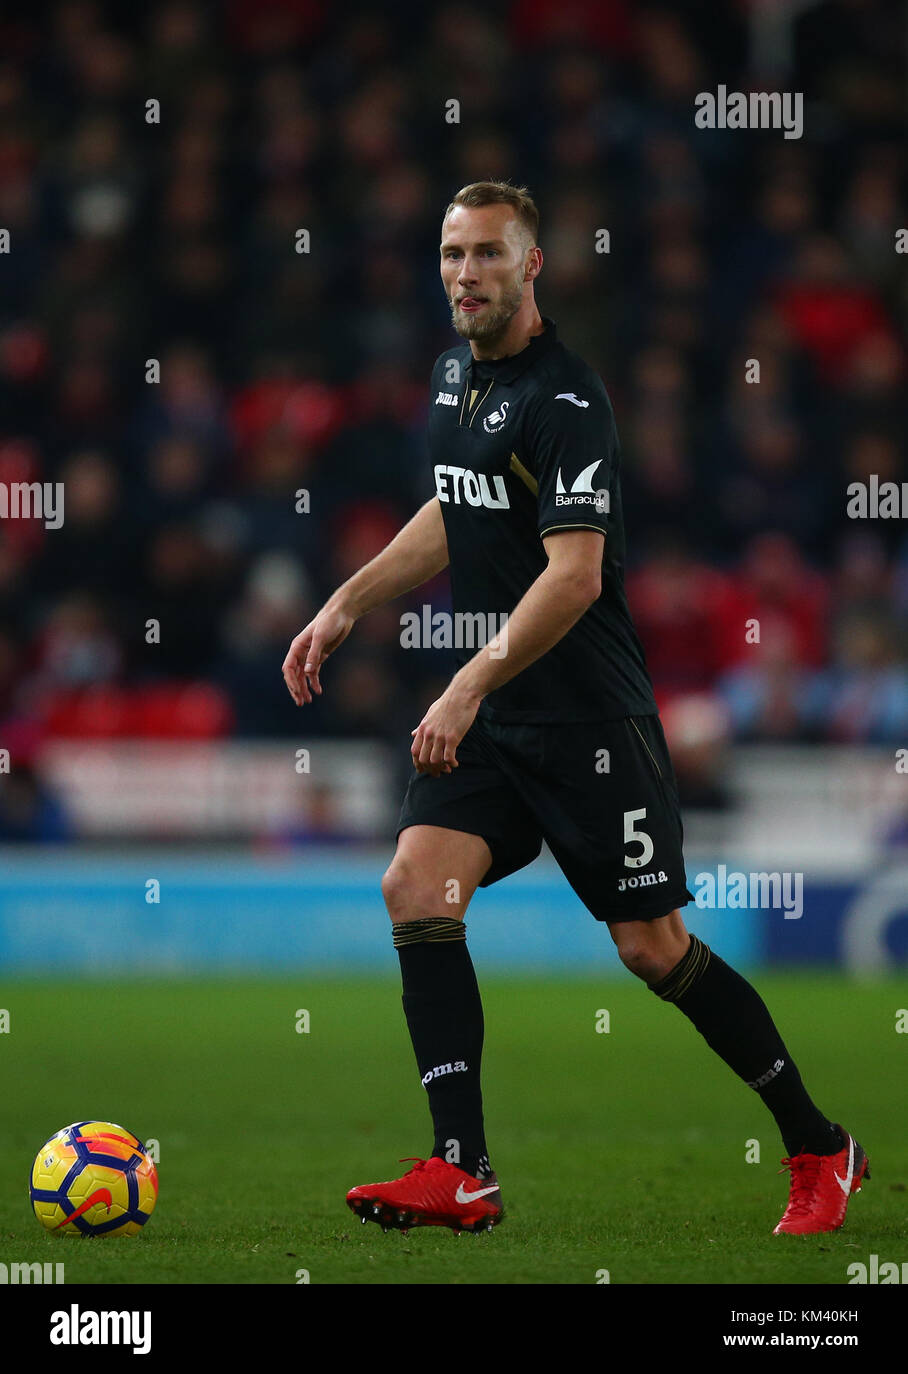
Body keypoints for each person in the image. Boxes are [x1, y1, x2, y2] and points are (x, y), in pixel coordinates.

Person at [282, 181, 866, 1237]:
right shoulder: (452, 374)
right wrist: (344, 603)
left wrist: (464, 679)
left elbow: (573, 576)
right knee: (415, 882)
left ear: (532, 264)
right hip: (499, 721)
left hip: (591, 725)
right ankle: (460, 1167)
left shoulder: (566, 398)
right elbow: (453, 512)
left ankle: (818, 1143)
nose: (465, 275)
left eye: (487, 256)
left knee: (650, 951)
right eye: (452, 254)